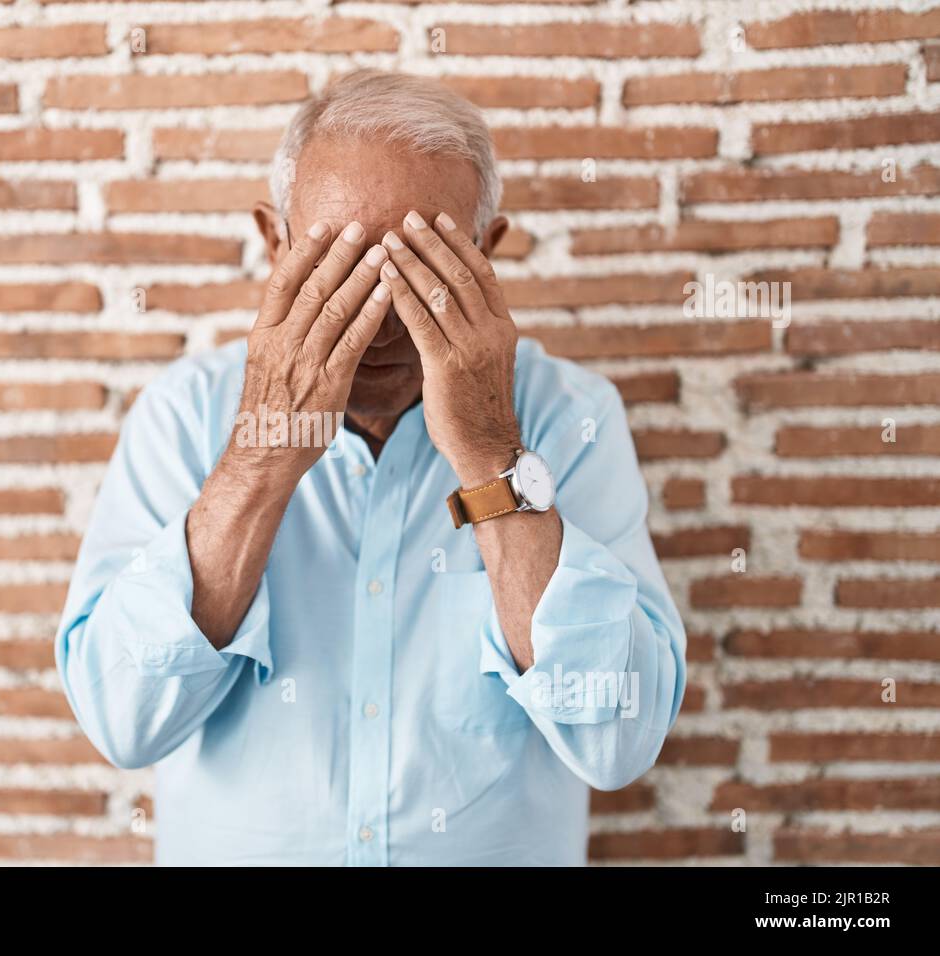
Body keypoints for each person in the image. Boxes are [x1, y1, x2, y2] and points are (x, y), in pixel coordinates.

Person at [55, 69, 687, 865]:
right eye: (340, 269)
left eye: (423, 271)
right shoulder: (181, 416)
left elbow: (617, 739)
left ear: (487, 256)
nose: (377, 322)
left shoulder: (575, 418)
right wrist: (260, 456)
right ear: (273, 244)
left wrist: (491, 451)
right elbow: (125, 719)